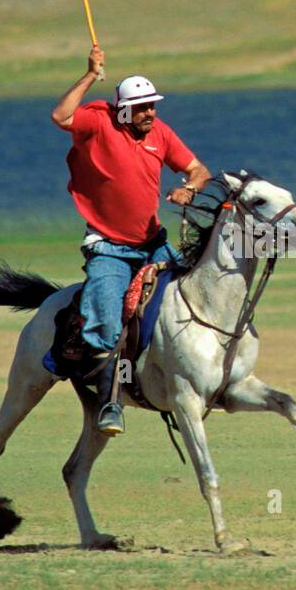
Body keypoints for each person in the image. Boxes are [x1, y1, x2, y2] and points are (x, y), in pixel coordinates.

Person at [51, 45, 211, 437]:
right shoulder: (99, 122)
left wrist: (189, 188)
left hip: (152, 243)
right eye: (141, 107)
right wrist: (89, 75)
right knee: (107, 319)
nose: (150, 113)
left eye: (152, 105)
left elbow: (197, 169)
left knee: (195, 296)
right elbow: (61, 116)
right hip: (108, 247)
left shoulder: (160, 133)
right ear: (122, 108)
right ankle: (110, 402)